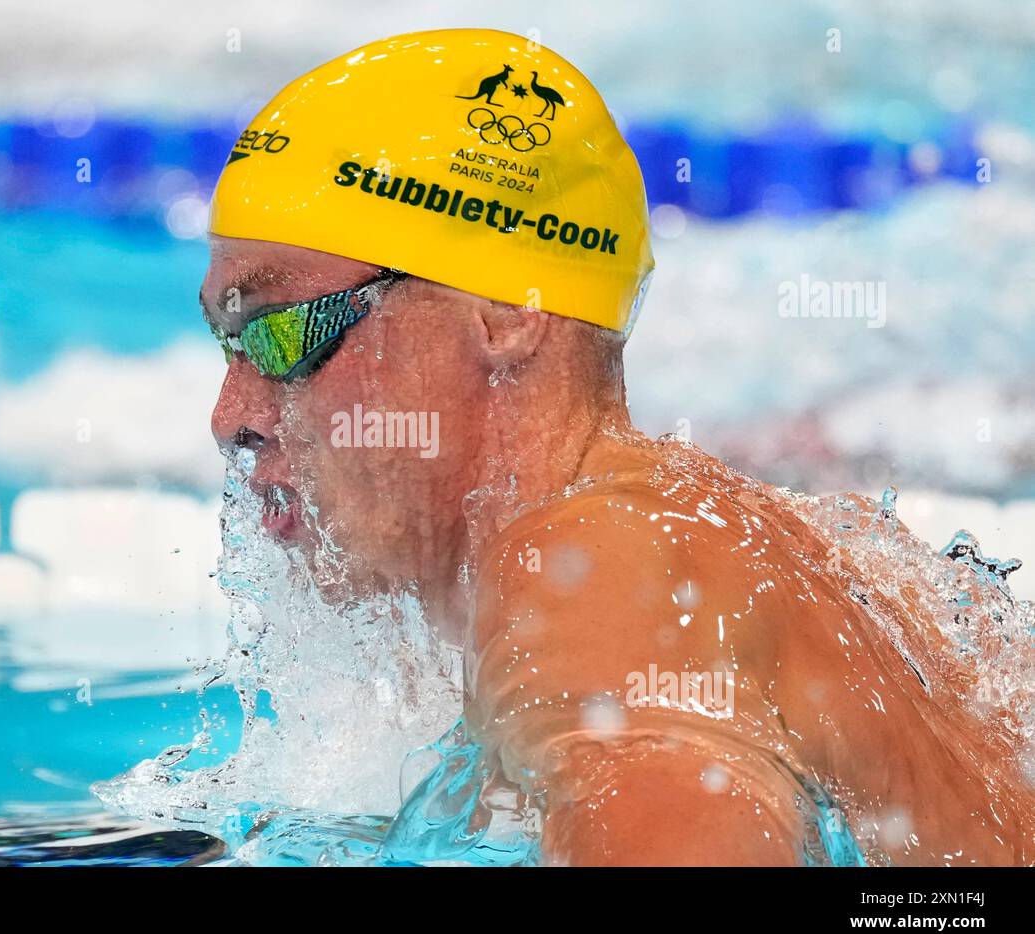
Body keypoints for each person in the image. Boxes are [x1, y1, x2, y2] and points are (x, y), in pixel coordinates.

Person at [199, 28, 1035, 864]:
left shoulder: (586, 582)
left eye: (279, 336)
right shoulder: (782, 552)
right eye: (225, 345)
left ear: (509, 312)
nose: (230, 414)